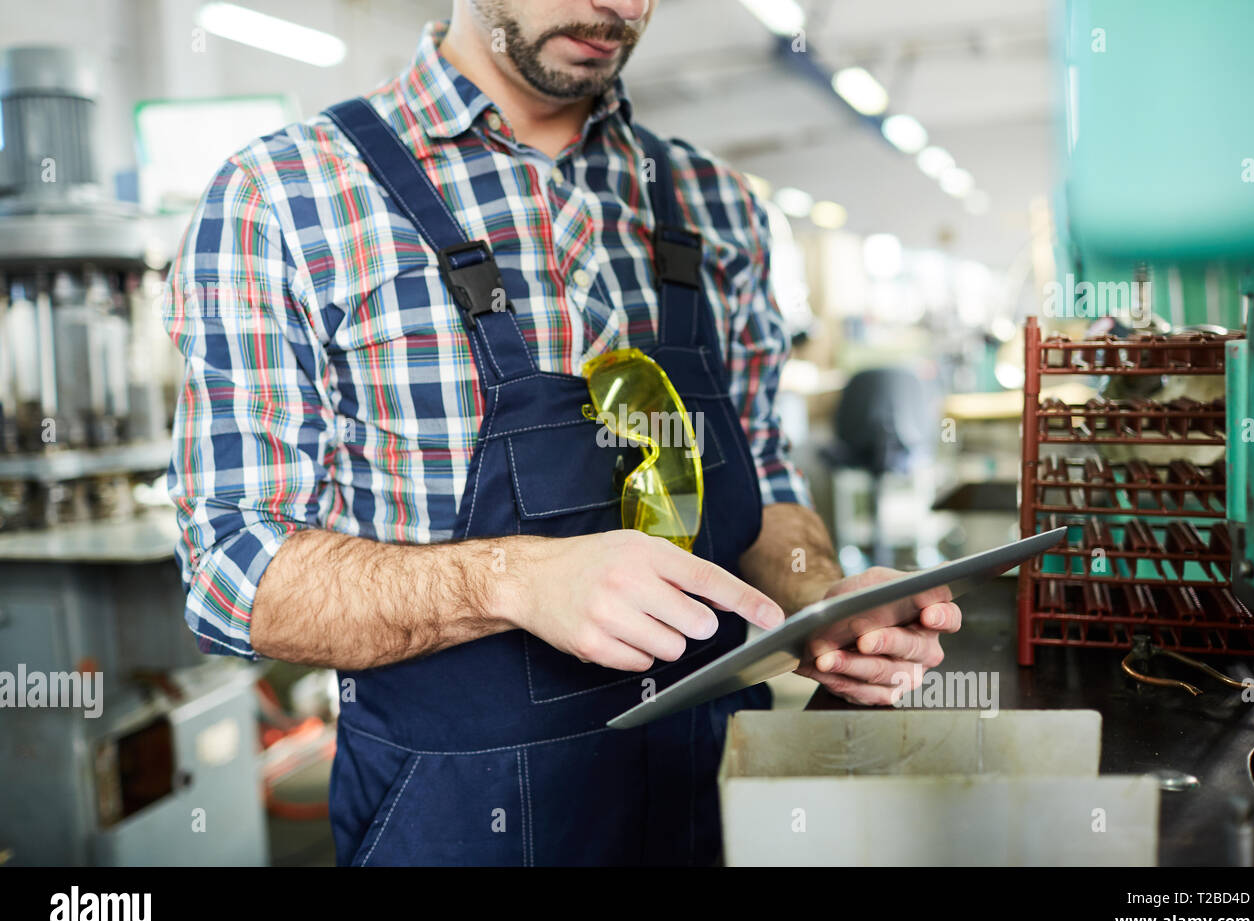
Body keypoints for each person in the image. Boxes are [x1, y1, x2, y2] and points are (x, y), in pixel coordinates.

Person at [164, 0, 961, 866]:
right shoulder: (288, 196)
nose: (615, 4)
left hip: (717, 798)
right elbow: (232, 573)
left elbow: (762, 481)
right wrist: (512, 579)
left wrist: (818, 600)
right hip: (458, 820)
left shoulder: (717, 207)